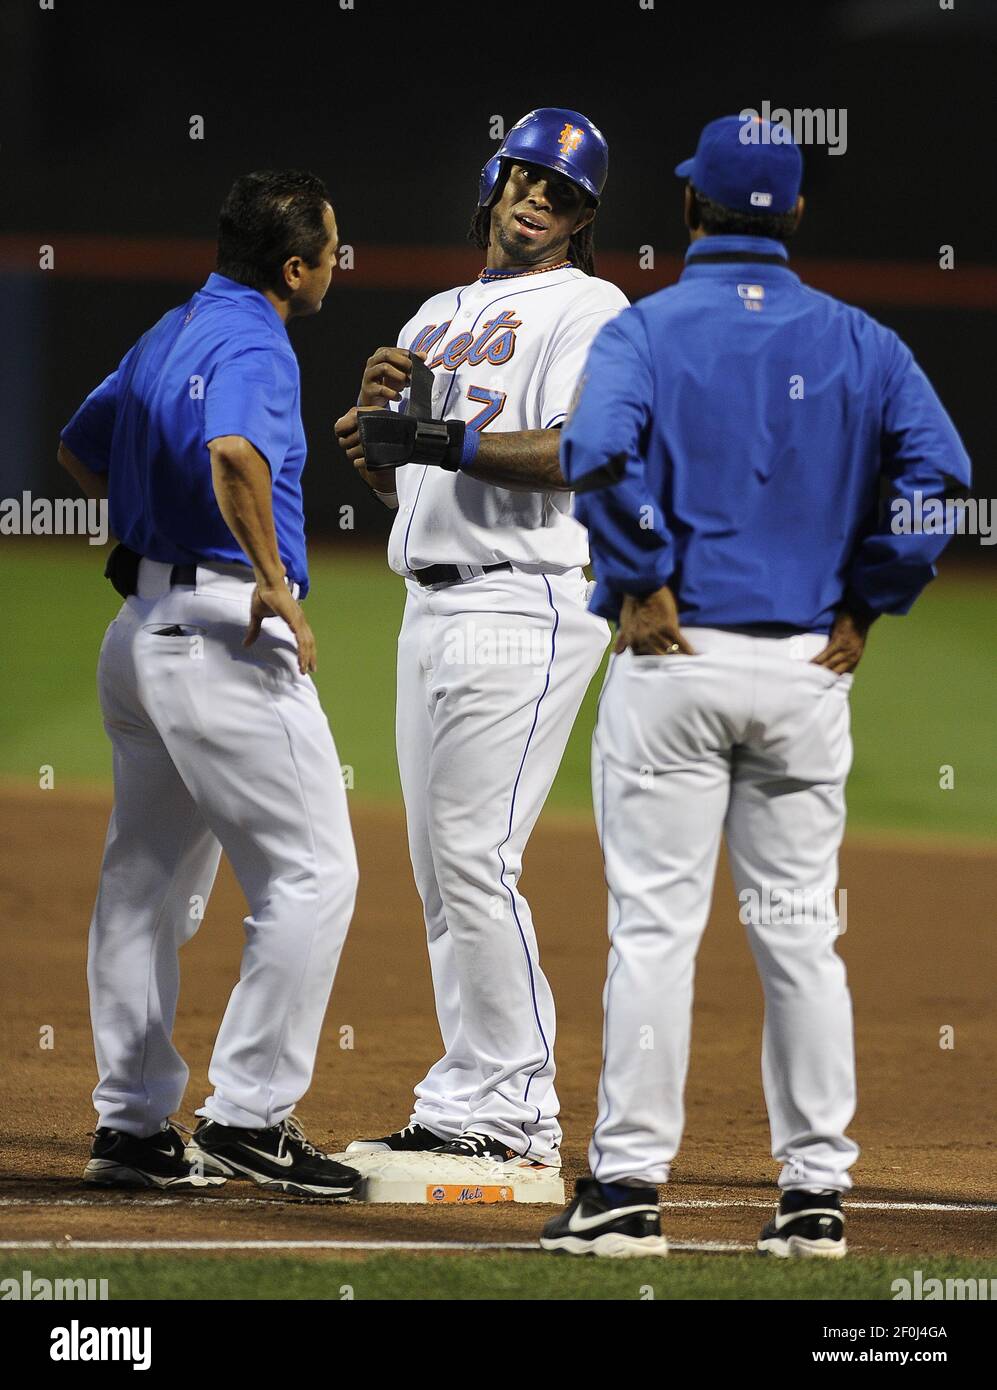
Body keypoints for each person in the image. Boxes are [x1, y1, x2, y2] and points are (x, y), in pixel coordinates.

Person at [539, 115, 972, 1256]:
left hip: (669, 668)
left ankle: (628, 1195)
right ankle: (815, 1198)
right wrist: (864, 595)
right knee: (798, 935)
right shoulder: (861, 341)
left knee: (653, 933)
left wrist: (643, 568)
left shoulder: (645, 328)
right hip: (801, 673)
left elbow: (594, 456)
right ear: (793, 215)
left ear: (690, 209)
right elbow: (942, 483)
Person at [334, 109, 626, 1188]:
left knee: (473, 855)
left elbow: (578, 450)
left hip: (525, 601)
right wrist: (379, 444)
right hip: (436, 602)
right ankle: (472, 1095)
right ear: (493, 182)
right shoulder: (438, 311)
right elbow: (414, 483)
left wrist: (439, 436)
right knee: (440, 868)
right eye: (526, 176)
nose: (539, 198)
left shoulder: (590, 305)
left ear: (584, 217)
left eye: (564, 191)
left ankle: (513, 1115)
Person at [59, 170, 363, 1198]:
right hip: (221, 633)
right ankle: (248, 1113)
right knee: (314, 873)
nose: (337, 262)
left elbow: (81, 444)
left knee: (142, 886)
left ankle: (134, 1125)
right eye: (331, 248)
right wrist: (269, 582)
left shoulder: (174, 324)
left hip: (139, 630)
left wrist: (161, 529)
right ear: (293, 267)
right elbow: (235, 450)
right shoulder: (253, 340)